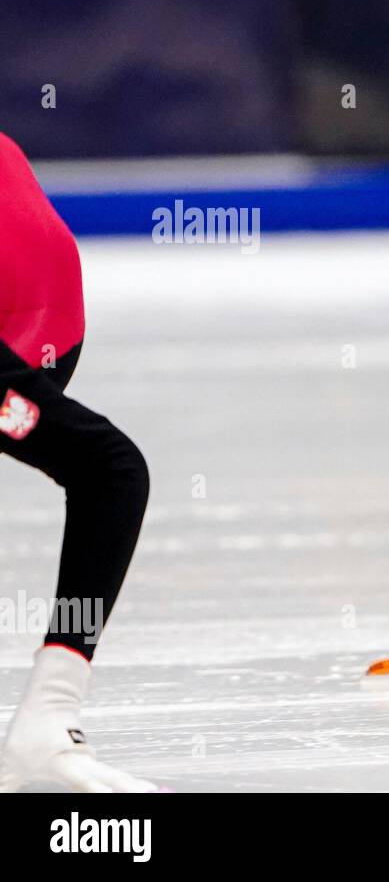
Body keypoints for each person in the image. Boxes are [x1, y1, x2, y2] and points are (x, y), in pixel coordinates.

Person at [0, 132, 156, 791]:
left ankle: (49, 715)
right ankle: (49, 712)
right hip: (41, 307)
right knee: (108, 468)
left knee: (108, 469)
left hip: (39, 316)